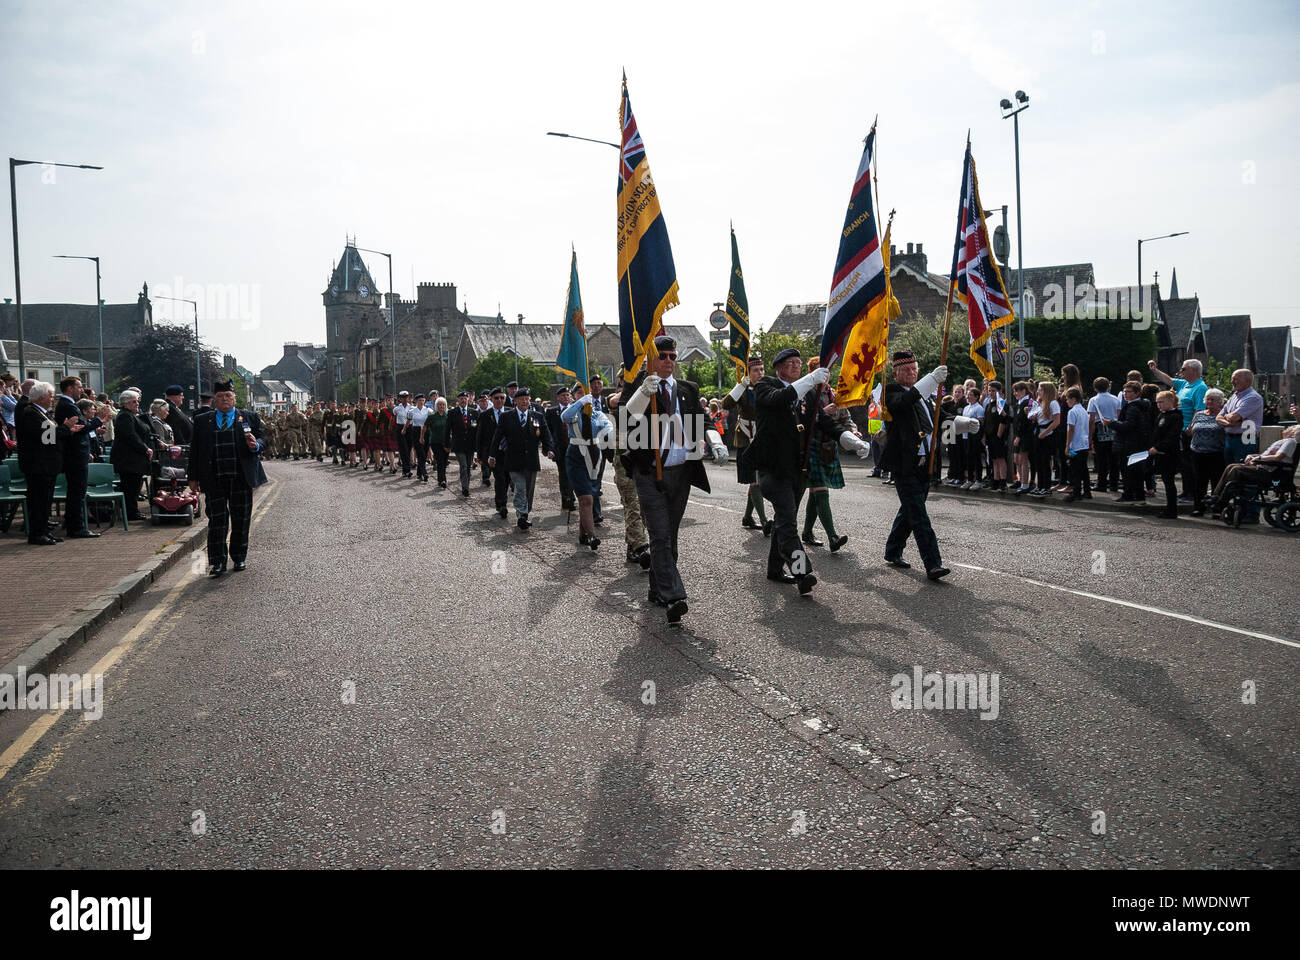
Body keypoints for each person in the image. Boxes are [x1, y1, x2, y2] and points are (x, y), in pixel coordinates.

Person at [619, 336, 717, 622]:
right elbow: (625, 419)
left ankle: (656, 588)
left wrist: (713, 438)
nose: (668, 361)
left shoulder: (687, 389)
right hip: (649, 472)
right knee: (660, 535)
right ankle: (675, 596)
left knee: (670, 537)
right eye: (662, 355)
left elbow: (702, 420)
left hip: (681, 472)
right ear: (652, 358)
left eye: (673, 356)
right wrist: (640, 396)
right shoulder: (638, 385)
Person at [745, 347, 845, 595]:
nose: (796, 366)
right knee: (788, 521)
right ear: (778, 367)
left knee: (783, 520)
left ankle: (775, 569)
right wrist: (811, 379)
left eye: (799, 363)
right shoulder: (765, 385)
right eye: (790, 363)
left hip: (799, 469)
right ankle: (802, 571)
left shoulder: (808, 393)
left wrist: (846, 436)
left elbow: (820, 418)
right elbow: (779, 399)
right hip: (773, 470)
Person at [880, 352, 950, 580]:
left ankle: (892, 550)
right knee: (919, 515)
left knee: (910, 510)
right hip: (905, 464)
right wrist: (930, 380)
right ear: (895, 373)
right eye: (906, 369)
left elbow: (938, 417)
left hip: (926, 464)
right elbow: (902, 403)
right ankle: (933, 564)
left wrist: (960, 423)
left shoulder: (924, 396)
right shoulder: (890, 392)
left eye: (914, 368)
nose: (911, 372)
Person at [189, 379, 267, 576]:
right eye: (220, 396)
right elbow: (195, 451)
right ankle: (217, 562)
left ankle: (239, 557)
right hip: (213, 478)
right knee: (217, 521)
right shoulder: (202, 420)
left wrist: (255, 444)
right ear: (214, 400)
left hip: (241, 477)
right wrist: (193, 478)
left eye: (228, 396)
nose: (224, 399)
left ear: (235, 398)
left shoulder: (249, 417)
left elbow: (264, 439)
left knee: (241, 519)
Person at [488, 386, 554, 529]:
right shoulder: (507, 417)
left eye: (527, 399)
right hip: (513, 460)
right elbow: (497, 437)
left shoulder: (537, 417)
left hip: (531, 460)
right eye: (521, 399)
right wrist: (492, 455)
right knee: (521, 487)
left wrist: (549, 449)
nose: (525, 401)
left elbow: (546, 435)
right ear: (515, 401)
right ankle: (521, 514)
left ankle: (525, 512)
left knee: (529, 490)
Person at [605, 369, 652, 569]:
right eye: (627, 378)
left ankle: (632, 546)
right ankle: (641, 547)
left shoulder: (645, 394)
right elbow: (617, 401)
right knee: (631, 502)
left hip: (642, 457)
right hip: (623, 459)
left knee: (641, 506)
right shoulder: (616, 396)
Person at [721, 353, 772, 535]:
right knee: (755, 480)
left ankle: (747, 517)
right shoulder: (743, 388)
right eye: (756, 370)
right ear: (748, 372)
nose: (760, 373)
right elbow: (725, 404)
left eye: (762, 369)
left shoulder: (767, 386)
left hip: (763, 437)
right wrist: (741, 385)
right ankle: (765, 520)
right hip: (746, 437)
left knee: (756, 479)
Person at [1148, 357, 1207, 503]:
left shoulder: (1200, 388)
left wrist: (1191, 427)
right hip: (1178, 428)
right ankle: (1186, 491)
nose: (1180, 371)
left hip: (1187, 430)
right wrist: (1155, 370)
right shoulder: (1184, 384)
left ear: (1193, 371)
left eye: (1183, 369)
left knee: (1188, 463)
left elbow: (1199, 410)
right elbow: (1168, 380)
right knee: (1182, 463)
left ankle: (1191, 493)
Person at [561, 386, 613, 549]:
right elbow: (565, 417)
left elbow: (609, 428)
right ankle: (592, 536)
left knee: (590, 495)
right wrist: (580, 403)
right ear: (575, 396)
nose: (584, 396)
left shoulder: (597, 414)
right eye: (579, 393)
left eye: (586, 393)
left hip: (593, 456)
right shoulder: (573, 412)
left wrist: (608, 432)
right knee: (586, 498)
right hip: (576, 457)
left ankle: (583, 534)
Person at [1206, 426, 1298, 516]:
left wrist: (1259, 458)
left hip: (1270, 473)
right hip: (1264, 468)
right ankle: (1216, 496)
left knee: (1236, 470)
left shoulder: (1290, 442)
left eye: (1290, 428)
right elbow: (1268, 455)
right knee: (1231, 466)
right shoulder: (1285, 441)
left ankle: (1221, 501)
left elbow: (1278, 457)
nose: (1286, 428)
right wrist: (1252, 456)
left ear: (1293, 433)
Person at [55, 375, 102, 539]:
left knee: (75, 492)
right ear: (70, 388)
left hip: (76, 454)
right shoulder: (68, 406)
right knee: (77, 492)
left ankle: (73, 523)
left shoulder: (67, 404)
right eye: (79, 387)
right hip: (75, 455)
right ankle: (77, 527)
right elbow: (81, 428)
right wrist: (98, 420)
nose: (82, 390)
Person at [17, 382, 63, 545]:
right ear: (42, 397)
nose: (52, 399)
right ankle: (37, 534)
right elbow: (46, 437)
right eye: (50, 396)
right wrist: (65, 428)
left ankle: (44, 530)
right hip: (38, 465)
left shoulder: (42, 413)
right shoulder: (31, 413)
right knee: (39, 500)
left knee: (46, 500)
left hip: (47, 464)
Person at [110, 391, 153, 522]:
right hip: (128, 459)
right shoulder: (124, 416)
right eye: (134, 401)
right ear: (126, 403)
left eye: (137, 401)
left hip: (133, 459)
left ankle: (132, 511)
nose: (137, 403)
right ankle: (131, 512)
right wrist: (145, 448)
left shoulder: (130, 415)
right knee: (130, 487)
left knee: (134, 486)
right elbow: (130, 436)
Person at [1189, 389, 1227, 516]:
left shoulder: (1223, 415)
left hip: (1216, 453)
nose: (1209, 402)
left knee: (1217, 482)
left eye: (1213, 399)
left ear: (1220, 402)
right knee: (1199, 481)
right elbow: (1191, 429)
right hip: (1197, 452)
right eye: (1208, 399)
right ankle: (1198, 507)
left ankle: (1217, 509)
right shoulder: (1199, 414)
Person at [1219, 369, 1264, 465]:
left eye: (1236, 379)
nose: (1232, 382)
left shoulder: (1253, 397)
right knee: (1230, 471)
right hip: (1230, 439)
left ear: (1247, 381)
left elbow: (1234, 417)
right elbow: (1218, 417)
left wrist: (1227, 417)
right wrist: (1230, 423)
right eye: (1232, 379)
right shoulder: (1234, 396)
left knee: (1243, 471)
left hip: (1246, 439)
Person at [1150, 389, 1182, 519]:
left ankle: (1172, 509)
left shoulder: (1175, 416)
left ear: (1171, 401)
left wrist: (1158, 447)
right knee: (1165, 480)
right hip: (1159, 453)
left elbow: (1171, 437)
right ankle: (1169, 508)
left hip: (1169, 454)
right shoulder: (1162, 415)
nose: (1159, 405)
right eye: (1157, 402)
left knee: (1169, 482)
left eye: (1161, 402)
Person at [478, 387, 510, 510]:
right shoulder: (485, 415)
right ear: (491, 399)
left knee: (508, 478)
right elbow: (480, 437)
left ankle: (502, 500)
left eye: (502, 398)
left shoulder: (510, 412)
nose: (499, 400)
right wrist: (480, 456)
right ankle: (501, 503)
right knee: (500, 477)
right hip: (494, 453)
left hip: (509, 452)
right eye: (496, 398)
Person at [545, 386, 576, 511]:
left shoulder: (575, 410)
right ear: (558, 398)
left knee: (574, 474)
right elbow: (548, 431)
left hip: (574, 448)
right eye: (563, 395)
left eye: (568, 395)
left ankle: (572, 496)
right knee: (563, 474)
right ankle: (567, 499)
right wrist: (550, 448)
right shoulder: (552, 412)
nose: (566, 397)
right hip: (560, 449)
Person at [1087, 378, 1121, 493]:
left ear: (1095, 388)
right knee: (1114, 459)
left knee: (1101, 459)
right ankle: (1114, 484)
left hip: (1099, 429)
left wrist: (1090, 436)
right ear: (1108, 387)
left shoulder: (1093, 400)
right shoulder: (1116, 399)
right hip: (1113, 428)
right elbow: (1118, 416)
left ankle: (1101, 483)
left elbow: (1091, 419)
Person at [1028, 382, 1061, 497]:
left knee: (1045, 461)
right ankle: (1040, 485)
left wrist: (1045, 433)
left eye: (1040, 390)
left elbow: (1057, 421)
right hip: (1038, 433)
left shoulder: (1053, 403)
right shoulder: (1039, 403)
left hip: (1047, 435)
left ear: (1047, 391)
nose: (1038, 392)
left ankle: (1046, 487)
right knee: (1038, 461)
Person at [1063, 387, 1092, 502]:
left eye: (1068, 399)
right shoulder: (1083, 411)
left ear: (1073, 399)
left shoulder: (1072, 411)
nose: (1066, 401)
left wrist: (1067, 445)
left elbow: (1071, 429)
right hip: (1084, 444)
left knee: (1075, 469)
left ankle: (1076, 492)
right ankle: (1087, 491)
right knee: (1084, 469)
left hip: (1075, 444)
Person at [447, 391, 478, 498]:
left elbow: (477, 430)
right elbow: (447, 430)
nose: (463, 400)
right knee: (463, 466)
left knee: (468, 466)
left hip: (470, 445)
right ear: (458, 400)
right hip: (458, 444)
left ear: (468, 400)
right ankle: (465, 488)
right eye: (461, 399)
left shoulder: (474, 412)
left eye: (465, 398)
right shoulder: (452, 413)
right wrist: (447, 444)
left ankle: (466, 485)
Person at [424, 396, 451, 487]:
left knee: (444, 460)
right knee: (440, 460)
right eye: (439, 405)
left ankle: (442, 478)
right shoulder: (432, 416)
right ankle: (442, 480)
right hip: (435, 442)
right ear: (436, 406)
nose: (441, 406)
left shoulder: (448, 416)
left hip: (446, 442)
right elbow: (424, 426)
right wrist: (422, 437)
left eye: (443, 405)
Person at [394, 391, 413, 477]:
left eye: (406, 397)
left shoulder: (412, 408)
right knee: (403, 449)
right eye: (402, 397)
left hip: (409, 428)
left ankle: (406, 469)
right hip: (400, 428)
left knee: (408, 449)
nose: (404, 399)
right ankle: (407, 469)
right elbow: (392, 418)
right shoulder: (396, 408)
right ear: (399, 398)